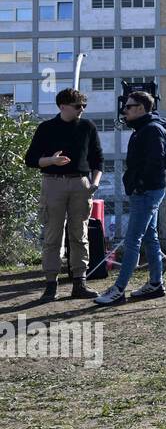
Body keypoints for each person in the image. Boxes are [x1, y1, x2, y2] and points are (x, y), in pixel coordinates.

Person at [24, 87, 103, 301]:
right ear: (62, 106)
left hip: (81, 184)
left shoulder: (88, 126)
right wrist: (51, 160)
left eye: (84, 106)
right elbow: (30, 159)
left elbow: (98, 159)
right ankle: (51, 285)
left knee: (80, 234)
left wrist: (93, 184)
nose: (82, 109)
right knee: (53, 235)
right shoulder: (46, 128)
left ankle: (80, 282)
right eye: (78, 106)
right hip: (53, 184)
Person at [93, 92, 166, 305]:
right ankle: (156, 284)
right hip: (147, 191)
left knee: (132, 240)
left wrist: (139, 185)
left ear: (141, 108)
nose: (124, 111)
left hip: (146, 193)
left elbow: (156, 163)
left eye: (128, 107)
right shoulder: (144, 129)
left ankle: (118, 289)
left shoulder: (152, 130)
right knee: (150, 238)